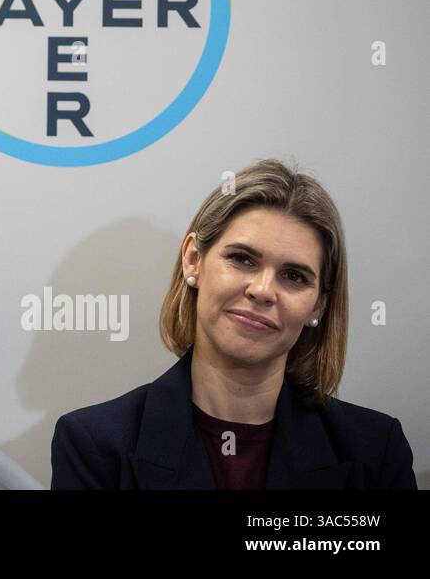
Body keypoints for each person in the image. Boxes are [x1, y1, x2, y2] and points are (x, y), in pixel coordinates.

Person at [51, 158, 416, 489]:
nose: (262, 290)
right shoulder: (94, 444)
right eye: (242, 259)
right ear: (194, 260)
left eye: (293, 276)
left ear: (318, 304)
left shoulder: (374, 450)